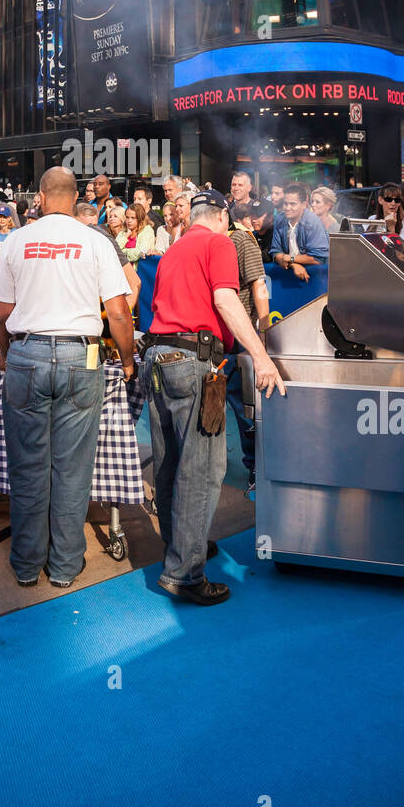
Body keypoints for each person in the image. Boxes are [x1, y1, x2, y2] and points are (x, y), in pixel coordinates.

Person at [0, 167, 135, 590]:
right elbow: (120, 311)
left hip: (27, 354)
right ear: (74, 197)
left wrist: (5, 350)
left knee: (27, 465)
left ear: (40, 196)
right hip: (81, 355)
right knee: (72, 468)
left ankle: (27, 564)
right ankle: (66, 566)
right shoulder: (95, 241)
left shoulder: (17, 240)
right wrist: (126, 361)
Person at [141, 190, 285, 605]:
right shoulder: (219, 242)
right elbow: (225, 299)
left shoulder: (175, 247)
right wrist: (261, 356)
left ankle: (185, 548)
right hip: (193, 361)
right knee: (202, 468)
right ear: (222, 215)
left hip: (158, 357)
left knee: (169, 463)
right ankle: (185, 573)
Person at [226, 202, 271, 492]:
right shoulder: (244, 239)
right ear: (251, 219)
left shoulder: (223, 240)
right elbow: (259, 286)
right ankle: (257, 468)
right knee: (247, 407)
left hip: (221, 335)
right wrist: (264, 333)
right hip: (239, 337)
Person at [75, 200, 141, 311]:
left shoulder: (102, 237)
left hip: (101, 314)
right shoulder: (64, 237)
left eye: (94, 226)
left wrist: (125, 317)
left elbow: (134, 282)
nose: (92, 229)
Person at [272, 182, 330, 277]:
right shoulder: (279, 219)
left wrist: (289, 258)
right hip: (289, 275)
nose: (287, 208)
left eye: (292, 204)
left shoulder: (313, 223)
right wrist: (293, 264)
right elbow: (276, 252)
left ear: (303, 205)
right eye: (285, 204)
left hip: (316, 277)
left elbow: (318, 259)